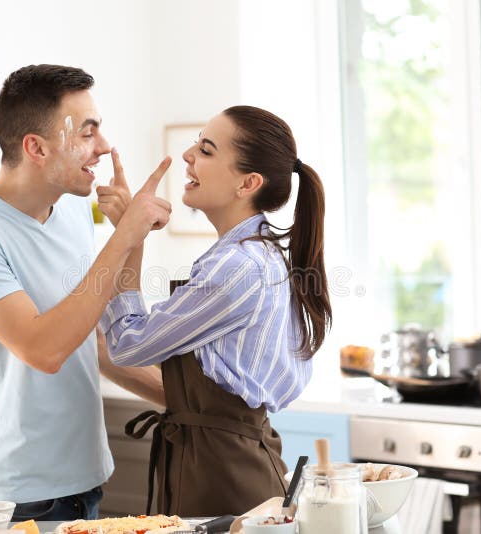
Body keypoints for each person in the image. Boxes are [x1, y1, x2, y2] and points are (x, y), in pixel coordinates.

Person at [0, 64, 171, 521]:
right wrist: (123, 236)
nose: (103, 147)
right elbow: (44, 348)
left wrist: (200, 406)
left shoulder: (72, 213)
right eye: (87, 133)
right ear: (36, 148)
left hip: (88, 481)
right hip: (19, 497)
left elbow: (95, 338)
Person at [99, 105, 333, 516]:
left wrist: (129, 237)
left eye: (206, 150)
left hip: (226, 479)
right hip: (218, 467)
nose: (189, 156)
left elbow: (128, 344)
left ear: (248, 183)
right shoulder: (254, 256)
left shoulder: (236, 268)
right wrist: (130, 234)